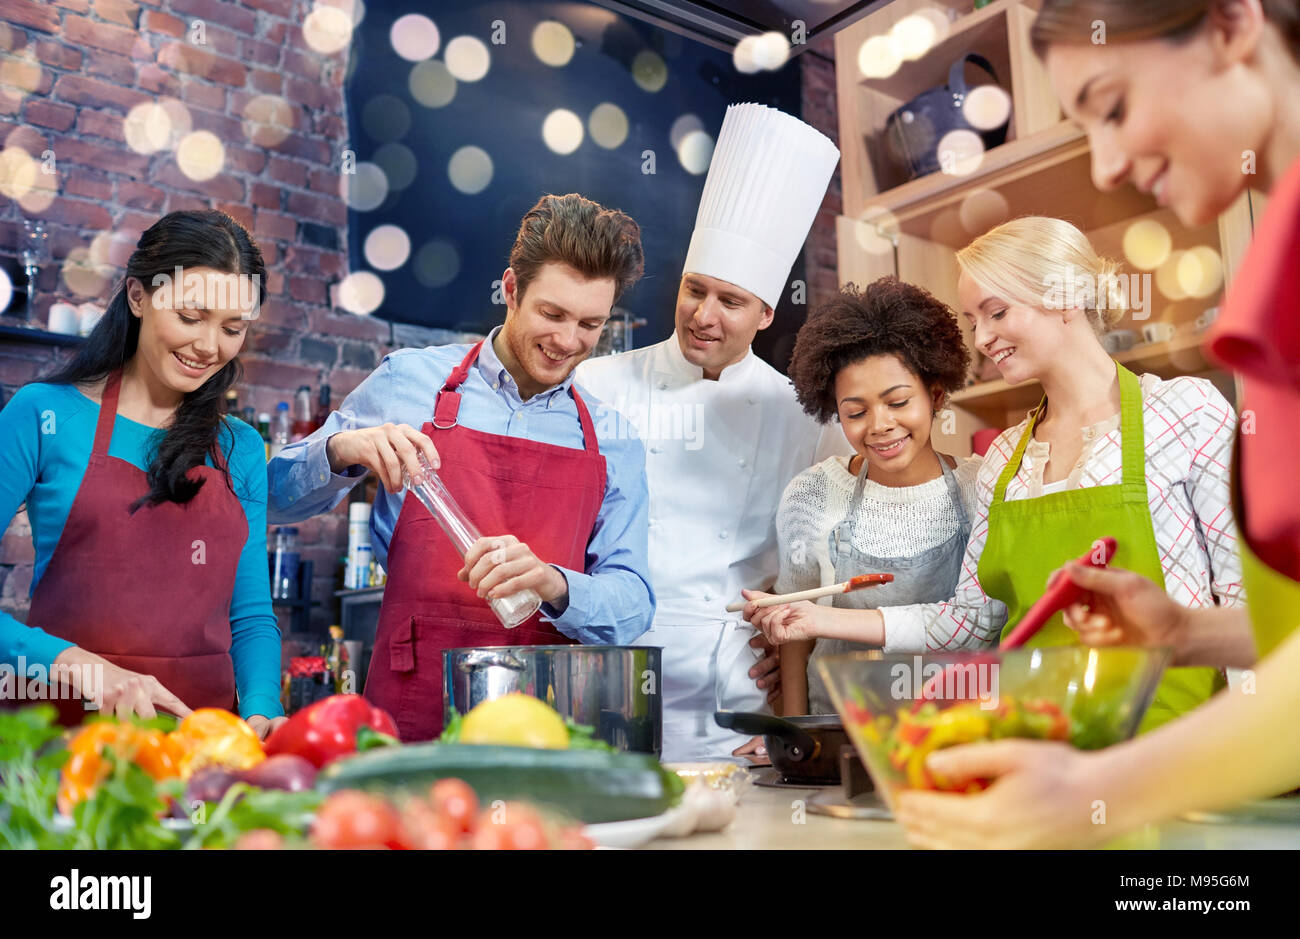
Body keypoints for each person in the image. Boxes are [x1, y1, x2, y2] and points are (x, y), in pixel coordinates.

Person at [893, 0, 1300, 848]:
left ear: (1231, 24)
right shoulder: (1271, 298)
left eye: (1112, 106)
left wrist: (1099, 790)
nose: (1107, 166)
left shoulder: (1189, 406)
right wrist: (1183, 632)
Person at [747, 215, 1243, 732]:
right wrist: (816, 618)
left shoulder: (1186, 413)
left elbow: (1242, 597)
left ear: (1068, 296)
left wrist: (1255, 743)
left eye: (997, 312)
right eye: (972, 320)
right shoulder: (1006, 458)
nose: (982, 337)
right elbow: (971, 619)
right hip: (1038, 740)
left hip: (1178, 739)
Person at [267, 193, 654, 742]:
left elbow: (634, 603)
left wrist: (554, 583)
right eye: (552, 314)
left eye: (590, 324)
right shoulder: (408, 381)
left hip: (543, 725)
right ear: (511, 290)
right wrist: (340, 451)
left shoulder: (612, 439)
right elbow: (270, 500)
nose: (568, 341)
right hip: (410, 707)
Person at [576, 103, 848, 760]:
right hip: (609, 688)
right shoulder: (596, 385)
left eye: (730, 301)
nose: (703, 315)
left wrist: (793, 656)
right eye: (695, 289)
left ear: (765, 312)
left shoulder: (807, 414)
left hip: (739, 703)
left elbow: (836, 567)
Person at [0, 210, 286, 737]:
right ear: (137, 297)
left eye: (232, 328)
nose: (208, 347)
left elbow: (250, 616)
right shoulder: (44, 415)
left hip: (199, 756)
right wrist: (84, 669)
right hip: (65, 745)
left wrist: (264, 711)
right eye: (190, 316)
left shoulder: (240, 447)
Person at [763, 277, 979, 715]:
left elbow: (982, 623)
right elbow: (794, 629)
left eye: (898, 402)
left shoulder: (980, 488)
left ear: (936, 397)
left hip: (953, 731)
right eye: (856, 412)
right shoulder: (814, 494)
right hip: (839, 727)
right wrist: (796, 733)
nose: (878, 425)